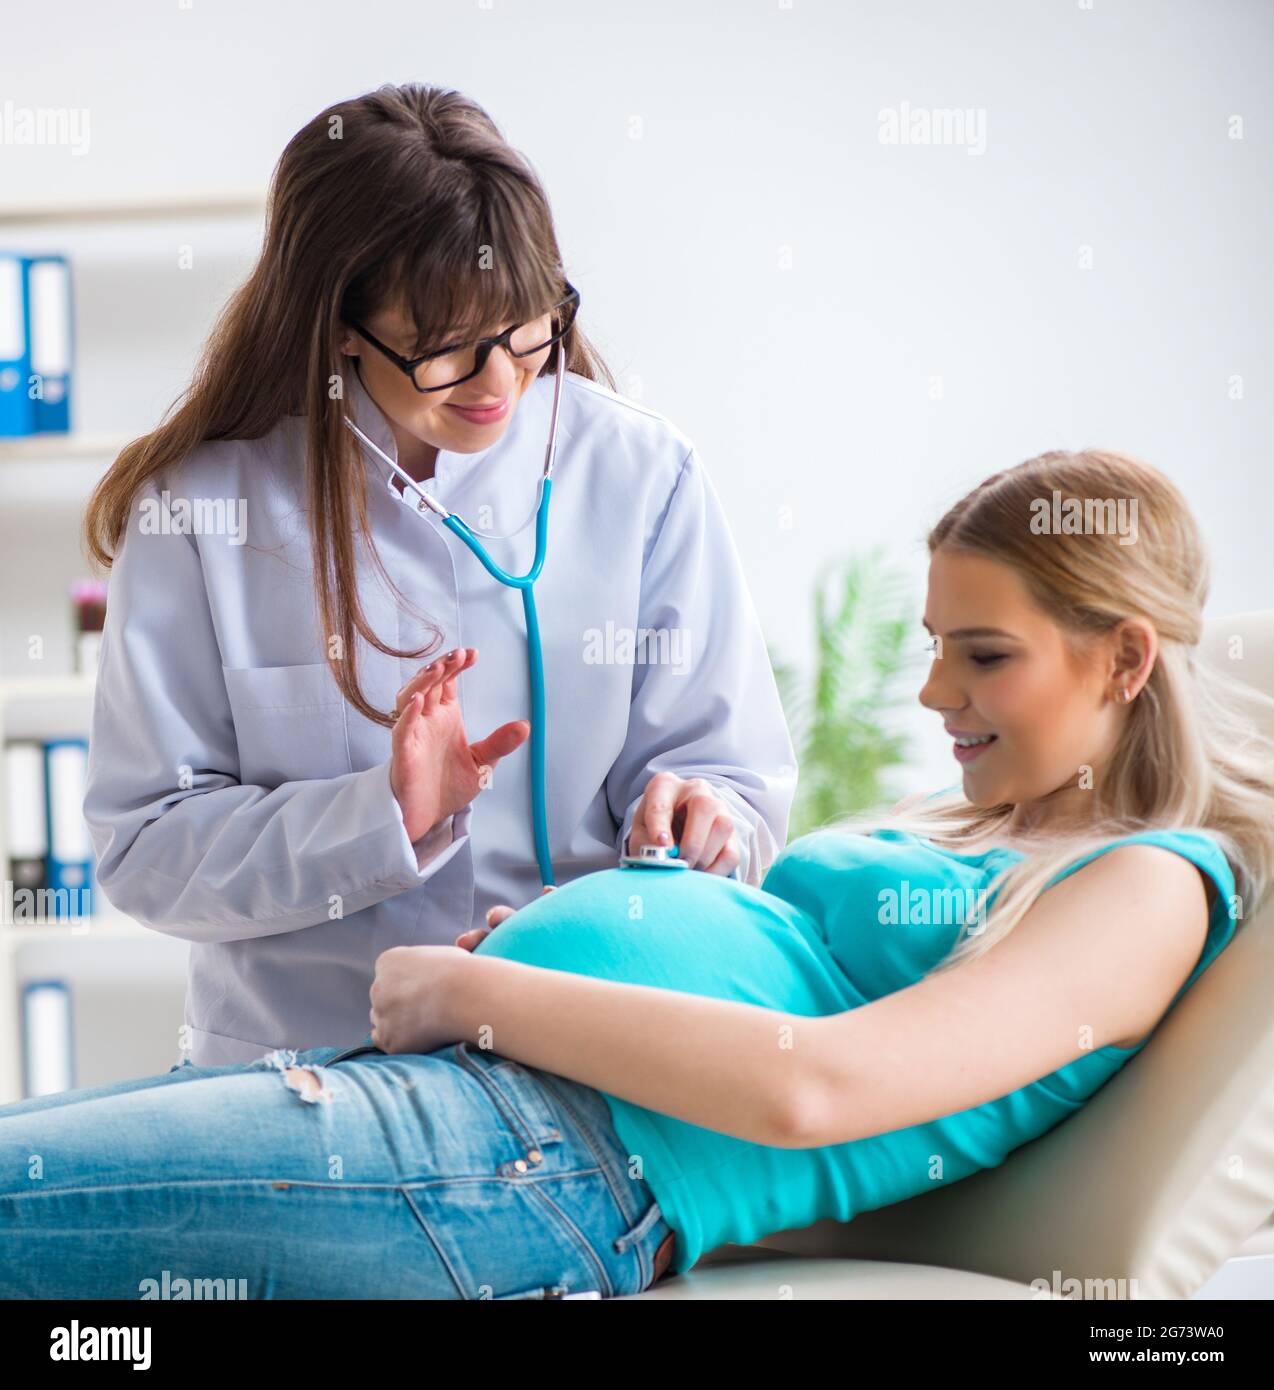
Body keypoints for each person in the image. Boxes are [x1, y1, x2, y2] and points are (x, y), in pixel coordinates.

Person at [6, 448, 1270, 1299]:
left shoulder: (1151, 886)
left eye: (982, 655)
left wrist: (478, 994)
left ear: (1124, 659)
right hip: (491, 1113)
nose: (933, 689)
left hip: (537, 1158)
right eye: (935, 644)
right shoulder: (982, 828)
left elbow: (817, 1088)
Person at [79, 82, 796, 1068]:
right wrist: (381, 816)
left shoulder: (642, 473)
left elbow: (731, 778)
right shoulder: (202, 511)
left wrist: (702, 820)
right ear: (338, 324)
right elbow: (146, 848)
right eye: (448, 348)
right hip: (305, 1074)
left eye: (526, 325)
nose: (500, 382)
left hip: (579, 1062)